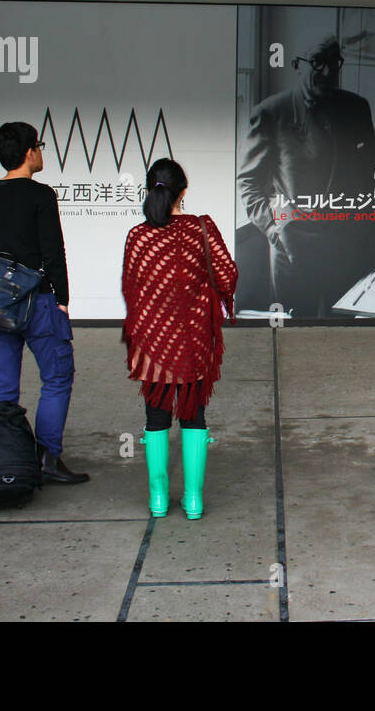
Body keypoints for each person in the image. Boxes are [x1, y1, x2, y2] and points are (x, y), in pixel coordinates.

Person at [236, 35, 375, 318]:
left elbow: (366, 179)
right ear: (297, 65)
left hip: (347, 245)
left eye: (335, 62)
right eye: (318, 62)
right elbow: (248, 183)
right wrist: (273, 230)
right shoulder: (270, 113)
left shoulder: (357, 108)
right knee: (296, 331)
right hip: (293, 247)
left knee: (343, 328)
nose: (328, 71)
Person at [0, 121, 87, 484]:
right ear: (30, 152)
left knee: (4, 390)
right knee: (57, 377)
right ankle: (47, 458)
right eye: (40, 147)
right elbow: (53, 251)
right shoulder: (40, 196)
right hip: (38, 302)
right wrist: (62, 299)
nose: (41, 153)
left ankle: (8, 464)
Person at [122, 158, 237, 520]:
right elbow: (227, 276)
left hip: (152, 340)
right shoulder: (201, 228)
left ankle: (158, 499)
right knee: (193, 413)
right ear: (183, 191)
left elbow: (131, 289)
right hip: (193, 339)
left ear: (149, 190)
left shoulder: (138, 236)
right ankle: (194, 499)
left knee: (155, 414)